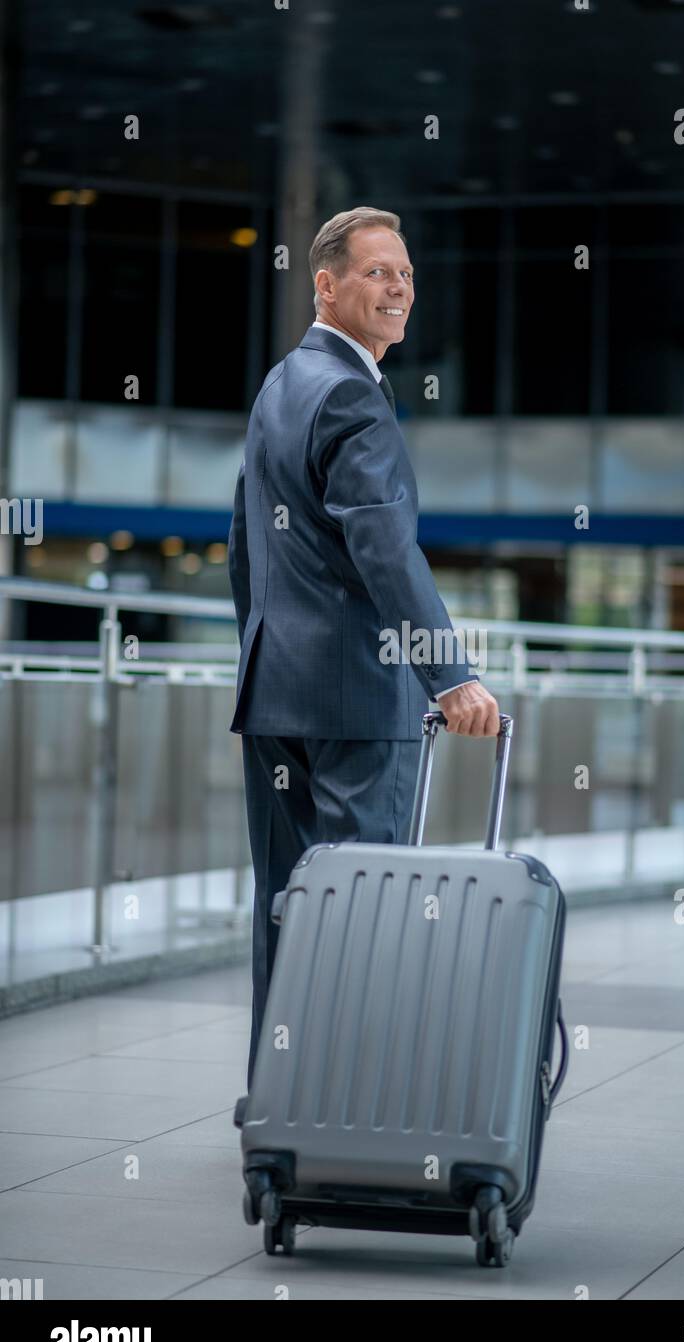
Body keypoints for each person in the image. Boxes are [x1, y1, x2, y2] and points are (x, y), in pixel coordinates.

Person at [228, 205, 500, 1092]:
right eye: (378, 271)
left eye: (407, 274)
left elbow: (244, 549)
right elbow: (383, 546)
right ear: (326, 284)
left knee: (289, 904)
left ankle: (278, 1099)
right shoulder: (351, 391)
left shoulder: (282, 382)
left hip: (278, 695)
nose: (398, 288)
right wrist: (451, 674)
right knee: (362, 903)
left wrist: (268, 651)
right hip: (354, 698)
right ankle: (351, 1103)